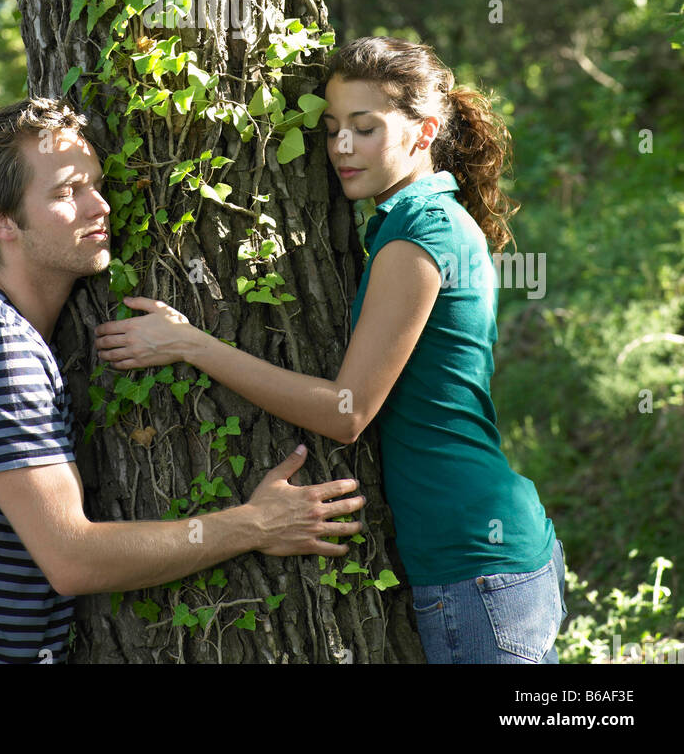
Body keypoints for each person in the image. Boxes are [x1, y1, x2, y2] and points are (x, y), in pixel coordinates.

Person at [96, 36, 569, 665]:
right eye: (331, 128)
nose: (342, 147)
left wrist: (189, 343)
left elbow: (347, 412)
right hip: (484, 556)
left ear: (423, 131)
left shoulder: (420, 235)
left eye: (365, 128)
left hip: (473, 564)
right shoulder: (413, 219)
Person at [0, 97, 365, 664]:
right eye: (65, 193)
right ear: (1, 221)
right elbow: (72, 559)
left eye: (95, 185)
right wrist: (254, 524)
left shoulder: (11, 335)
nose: (98, 206)